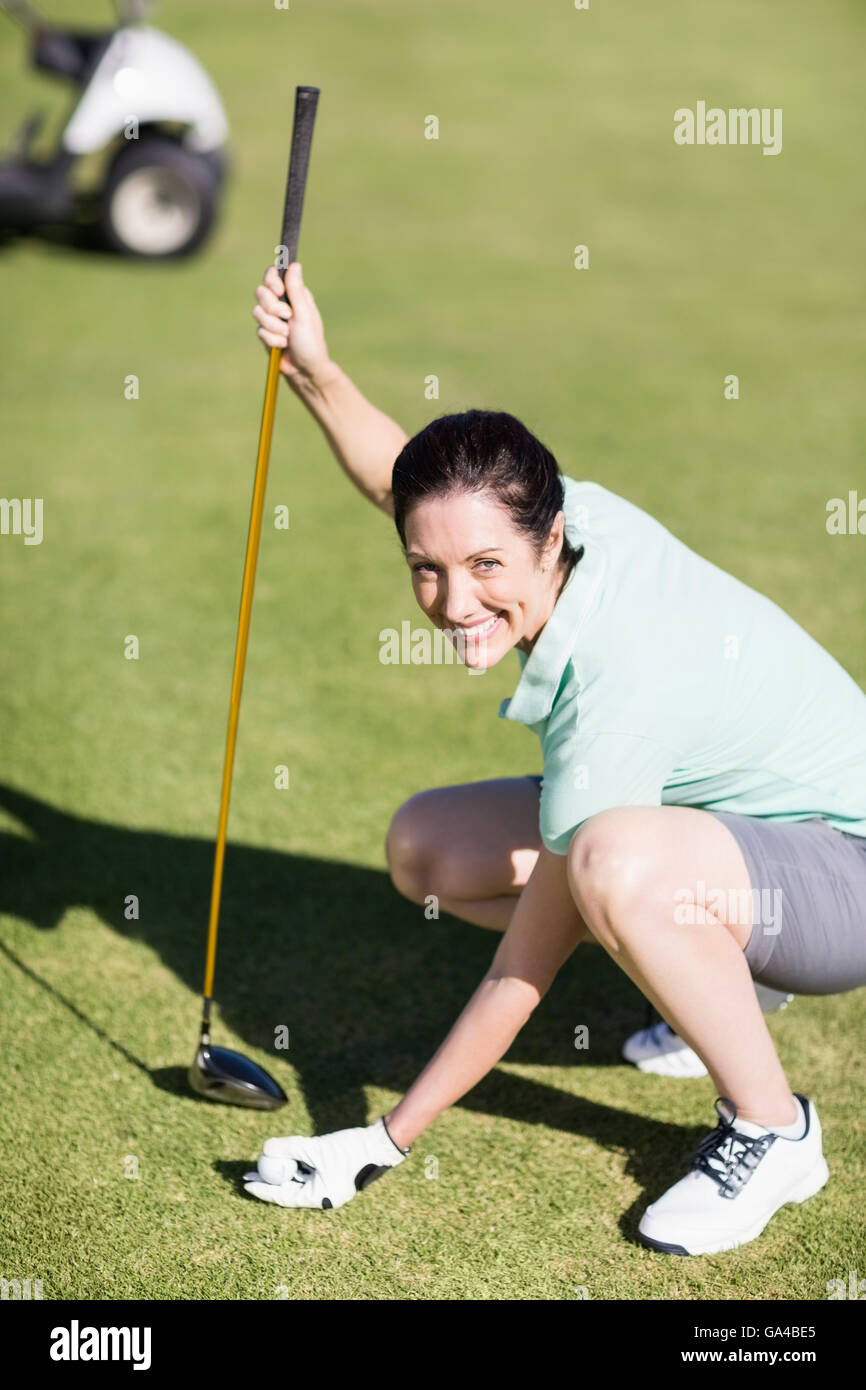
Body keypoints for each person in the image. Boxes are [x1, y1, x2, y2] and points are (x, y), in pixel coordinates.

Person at [242, 262, 866, 1256]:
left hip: (842, 872)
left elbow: (519, 968)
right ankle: (719, 970)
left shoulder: (614, 686)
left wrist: (383, 1139)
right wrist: (313, 370)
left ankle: (772, 1127)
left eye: (484, 568)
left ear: (546, 537)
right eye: (427, 569)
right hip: (743, 834)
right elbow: (408, 479)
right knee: (428, 852)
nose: (453, 604)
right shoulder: (551, 513)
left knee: (609, 866)